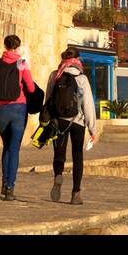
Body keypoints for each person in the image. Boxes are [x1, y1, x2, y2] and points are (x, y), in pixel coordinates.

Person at [0, 34, 37, 200]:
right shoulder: (21, 63)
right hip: (18, 108)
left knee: (6, 146)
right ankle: (10, 187)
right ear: (18, 47)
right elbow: (30, 86)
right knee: (14, 148)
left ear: (5, 46)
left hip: (0, 109)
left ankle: (4, 182)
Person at [44, 48, 98, 205]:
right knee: (77, 156)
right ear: (78, 59)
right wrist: (92, 129)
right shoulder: (81, 77)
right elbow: (88, 105)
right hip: (77, 122)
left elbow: (48, 100)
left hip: (59, 121)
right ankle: (76, 193)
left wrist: (49, 119)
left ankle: (58, 175)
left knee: (59, 154)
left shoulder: (55, 75)